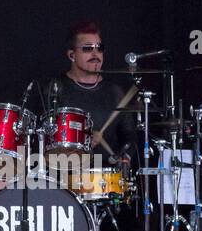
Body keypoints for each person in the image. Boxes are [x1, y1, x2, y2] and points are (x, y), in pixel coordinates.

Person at [45, 21, 139, 172]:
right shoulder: (55, 89)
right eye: (88, 48)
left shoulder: (115, 92)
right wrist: (83, 139)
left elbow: (129, 136)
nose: (95, 55)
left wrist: (125, 156)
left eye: (99, 48)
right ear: (71, 55)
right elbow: (43, 136)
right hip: (65, 178)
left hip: (106, 180)